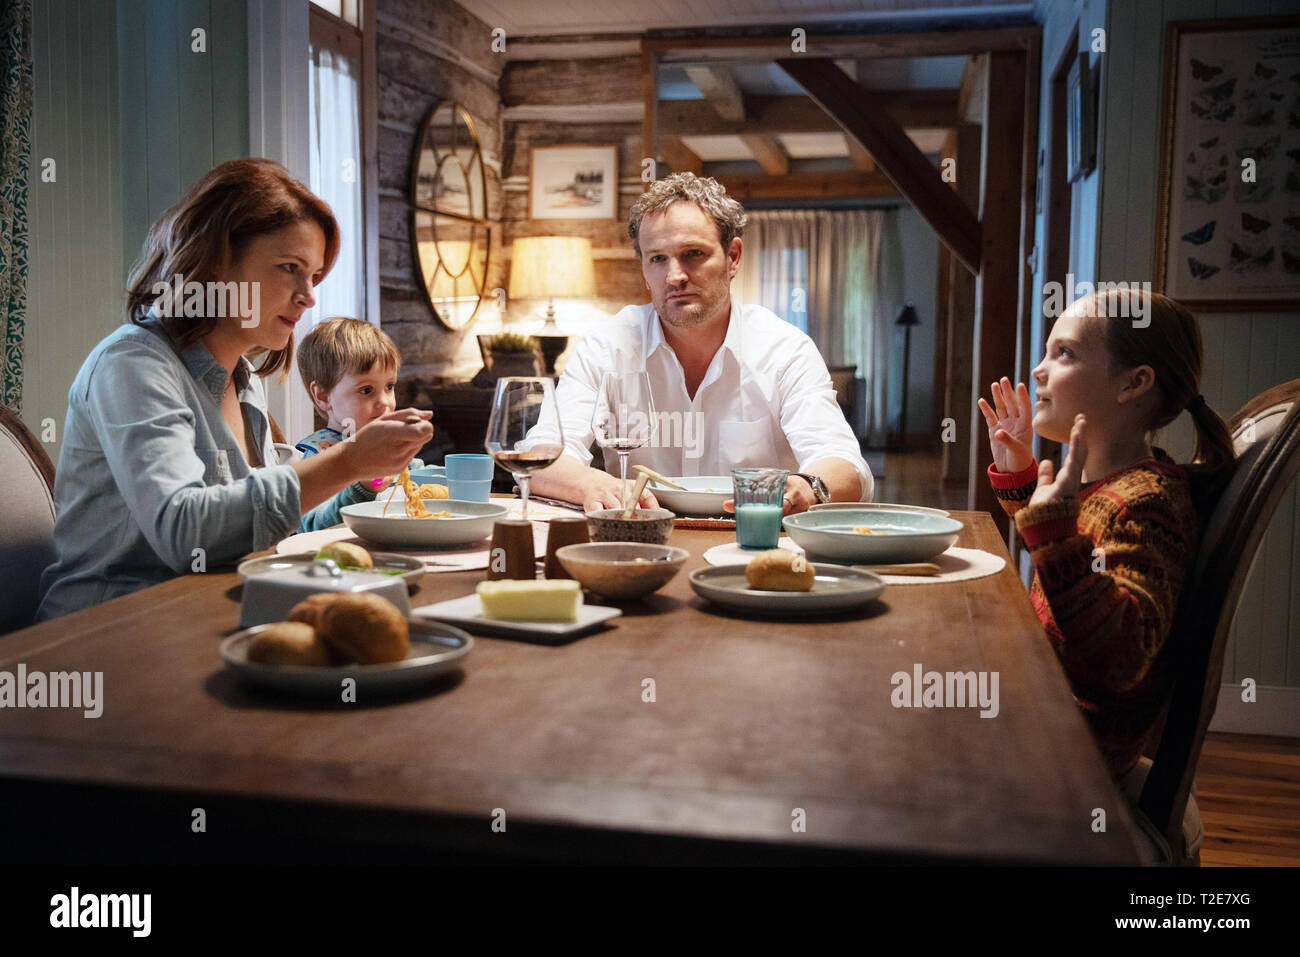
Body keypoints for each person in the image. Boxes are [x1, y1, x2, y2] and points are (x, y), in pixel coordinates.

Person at [36, 159, 432, 622]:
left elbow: (255, 529)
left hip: (207, 615)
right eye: (290, 268)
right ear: (218, 263)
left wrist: (358, 477)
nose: (309, 295)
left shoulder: (242, 381)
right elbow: (185, 533)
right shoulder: (132, 365)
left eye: (315, 275)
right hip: (110, 631)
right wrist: (349, 460)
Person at [979, 289, 1234, 858]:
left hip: (1069, 753)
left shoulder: (1147, 505)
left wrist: (1049, 528)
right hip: (1048, 723)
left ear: (1132, 383)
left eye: (1064, 354)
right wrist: (1023, 478)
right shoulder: (1112, 486)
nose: (1039, 371)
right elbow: (1069, 546)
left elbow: (1118, 655)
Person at [527, 173, 872, 514]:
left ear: (733, 257)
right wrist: (595, 484)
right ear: (645, 269)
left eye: (693, 253)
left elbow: (846, 467)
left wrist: (808, 488)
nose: (674, 276)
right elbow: (541, 456)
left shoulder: (785, 349)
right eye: (657, 258)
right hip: (638, 545)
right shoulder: (606, 346)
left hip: (753, 546)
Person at [294, 317, 426, 532]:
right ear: (323, 396)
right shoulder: (312, 457)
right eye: (366, 390)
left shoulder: (388, 448)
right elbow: (310, 526)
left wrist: (450, 475)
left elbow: (417, 476)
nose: (385, 402)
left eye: (389, 386)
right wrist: (363, 488)